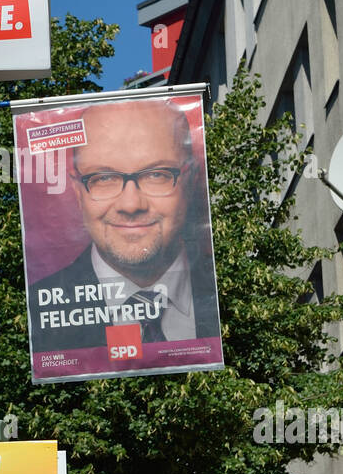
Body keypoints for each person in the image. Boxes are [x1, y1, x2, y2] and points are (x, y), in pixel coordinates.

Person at [27, 100, 221, 353]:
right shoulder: (36, 311)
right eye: (103, 178)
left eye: (157, 174)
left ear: (191, 179)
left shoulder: (228, 290)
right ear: (78, 192)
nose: (131, 205)